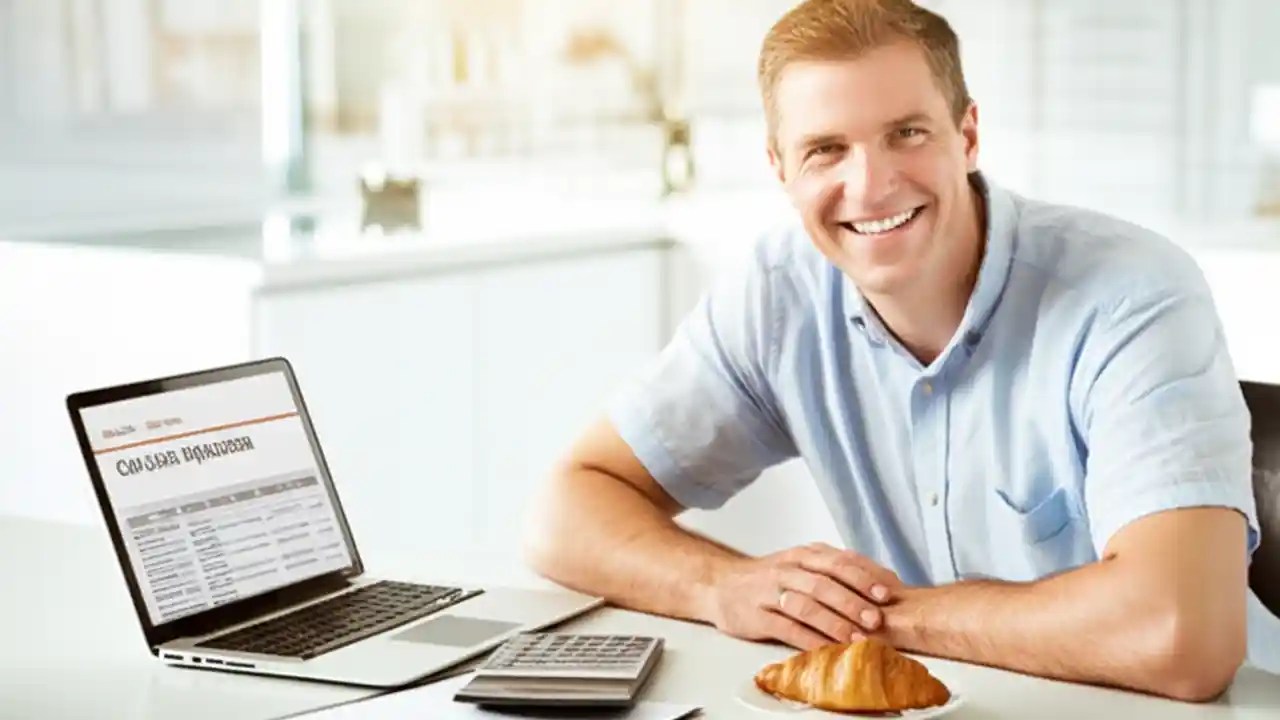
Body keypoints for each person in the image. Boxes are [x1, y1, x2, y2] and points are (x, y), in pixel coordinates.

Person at [522, 0, 1260, 702]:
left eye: (906, 133)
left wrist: (870, 617)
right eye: (826, 149)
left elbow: (1182, 635)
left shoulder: (1129, 295)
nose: (870, 186)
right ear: (781, 169)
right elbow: (566, 513)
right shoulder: (780, 295)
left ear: (967, 137)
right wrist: (724, 588)